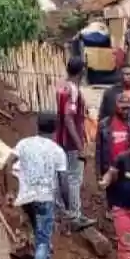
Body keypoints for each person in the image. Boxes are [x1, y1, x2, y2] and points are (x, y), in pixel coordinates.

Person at [2, 114, 71, 259]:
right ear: (55, 129)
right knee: (43, 240)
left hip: (26, 198)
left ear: (37, 125)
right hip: (44, 199)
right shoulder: (57, 151)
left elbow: (7, 164)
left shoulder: (24, 143)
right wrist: (68, 205)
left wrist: (9, 191)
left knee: (37, 231)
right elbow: (63, 181)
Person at [54, 56, 95, 231]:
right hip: (71, 141)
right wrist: (79, 145)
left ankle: (60, 211)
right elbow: (69, 118)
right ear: (82, 71)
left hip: (60, 139)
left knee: (61, 175)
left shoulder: (61, 86)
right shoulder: (73, 90)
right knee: (74, 178)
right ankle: (75, 216)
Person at [95, 91, 130, 203]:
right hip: (110, 166)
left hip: (129, 168)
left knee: (128, 198)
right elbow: (99, 150)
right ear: (115, 107)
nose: (125, 111)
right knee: (112, 198)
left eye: (128, 108)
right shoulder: (104, 124)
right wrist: (98, 173)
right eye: (123, 108)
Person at [98, 64, 130, 132]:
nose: (129, 77)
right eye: (127, 74)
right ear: (121, 75)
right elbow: (102, 115)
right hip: (115, 132)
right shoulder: (110, 93)